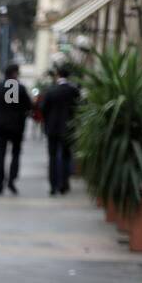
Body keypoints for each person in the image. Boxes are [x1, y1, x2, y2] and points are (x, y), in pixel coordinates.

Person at [0, 63, 33, 195]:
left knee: (0, 156)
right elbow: (29, 107)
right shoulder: (21, 89)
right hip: (17, 128)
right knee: (15, 154)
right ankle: (12, 180)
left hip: (1, 127)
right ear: (15, 73)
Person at [39, 62, 81, 196]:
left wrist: (47, 121)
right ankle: (64, 184)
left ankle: (53, 186)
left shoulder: (50, 90)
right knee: (66, 155)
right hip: (68, 128)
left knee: (52, 157)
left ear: (58, 75)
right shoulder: (73, 91)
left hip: (52, 128)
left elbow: (43, 108)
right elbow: (79, 108)